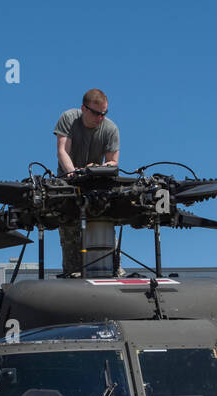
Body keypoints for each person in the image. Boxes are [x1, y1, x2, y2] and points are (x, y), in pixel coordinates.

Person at [53, 90, 120, 276]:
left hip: (96, 189)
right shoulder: (68, 118)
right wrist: (74, 174)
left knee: (103, 228)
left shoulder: (110, 129)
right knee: (70, 235)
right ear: (84, 108)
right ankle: (73, 275)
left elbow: (113, 162)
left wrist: (97, 168)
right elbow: (61, 151)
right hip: (68, 188)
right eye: (96, 113)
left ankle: (113, 271)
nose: (101, 118)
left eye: (104, 113)